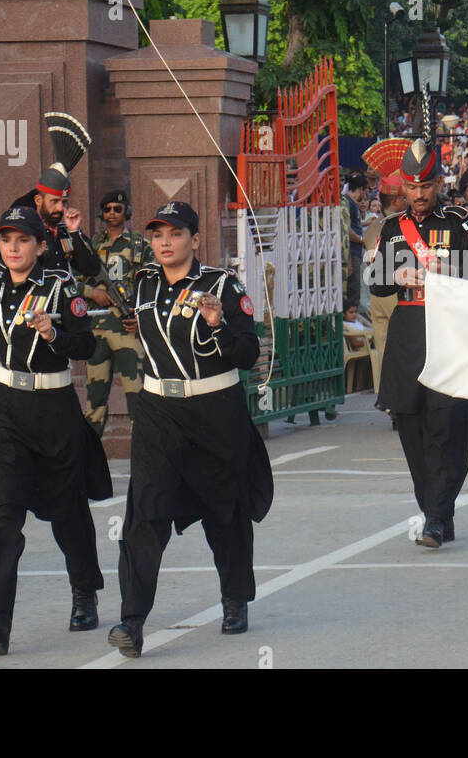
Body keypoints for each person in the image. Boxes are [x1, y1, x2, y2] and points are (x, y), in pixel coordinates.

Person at [108, 201, 272, 657]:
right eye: (158, 234)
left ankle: (235, 598)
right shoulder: (142, 284)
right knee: (145, 515)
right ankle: (132, 620)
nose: (165, 242)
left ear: (194, 239)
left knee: (227, 512)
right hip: (159, 412)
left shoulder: (221, 285)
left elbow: (245, 353)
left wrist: (217, 323)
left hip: (215, 409)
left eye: (175, 233)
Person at [0, 206, 110, 655]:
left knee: (66, 509)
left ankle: (84, 589)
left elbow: (86, 344)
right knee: (0, 511)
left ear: (40, 246)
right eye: (6, 239)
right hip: (4, 408)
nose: (12, 247)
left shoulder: (62, 287)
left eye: (23, 239)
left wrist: (53, 336)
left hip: (53, 407)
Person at [367, 137, 468, 548]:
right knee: (410, 423)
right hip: (407, 333)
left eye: (426, 186)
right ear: (403, 186)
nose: (418, 195)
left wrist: (443, 268)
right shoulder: (391, 227)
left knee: (446, 425)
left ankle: (435, 516)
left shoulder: (461, 221)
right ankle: (436, 510)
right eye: (411, 187)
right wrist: (395, 274)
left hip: (449, 330)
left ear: (439, 182)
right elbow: (374, 281)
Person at [83, 190, 149, 437]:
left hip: (126, 329)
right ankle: (89, 460)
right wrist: (92, 293)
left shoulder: (140, 245)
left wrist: (140, 315)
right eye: (107, 209)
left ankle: (143, 458)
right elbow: (71, 281)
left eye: (117, 209)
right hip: (97, 329)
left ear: (127, 212)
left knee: (137, 396)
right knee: (95, 400)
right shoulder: (91, 246)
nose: (112, 213)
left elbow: (151, 284)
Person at [6, 112, 102, 279]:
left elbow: (92, 268)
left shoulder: (64, 230)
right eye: (54, 201)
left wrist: (75, 233)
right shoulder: (25, 231)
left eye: (64, 202)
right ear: (38, 200)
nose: (60, 208)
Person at [362, 171, 406, 391]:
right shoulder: (399, 226)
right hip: (395, 291)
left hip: (375, 293)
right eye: (405, 197)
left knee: (382, 346)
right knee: (402, 345)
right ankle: (400, 393)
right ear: (396, 200)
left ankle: (384, 394)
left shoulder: (372, 227)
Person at [343, 172, 367, 306]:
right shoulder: (348, 204)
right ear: (361, 189)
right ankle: (352, 317)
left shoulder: (353, 204)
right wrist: (362, 240)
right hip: (351, 252)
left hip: (356, 251)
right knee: (353, 288)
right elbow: (347, 229)